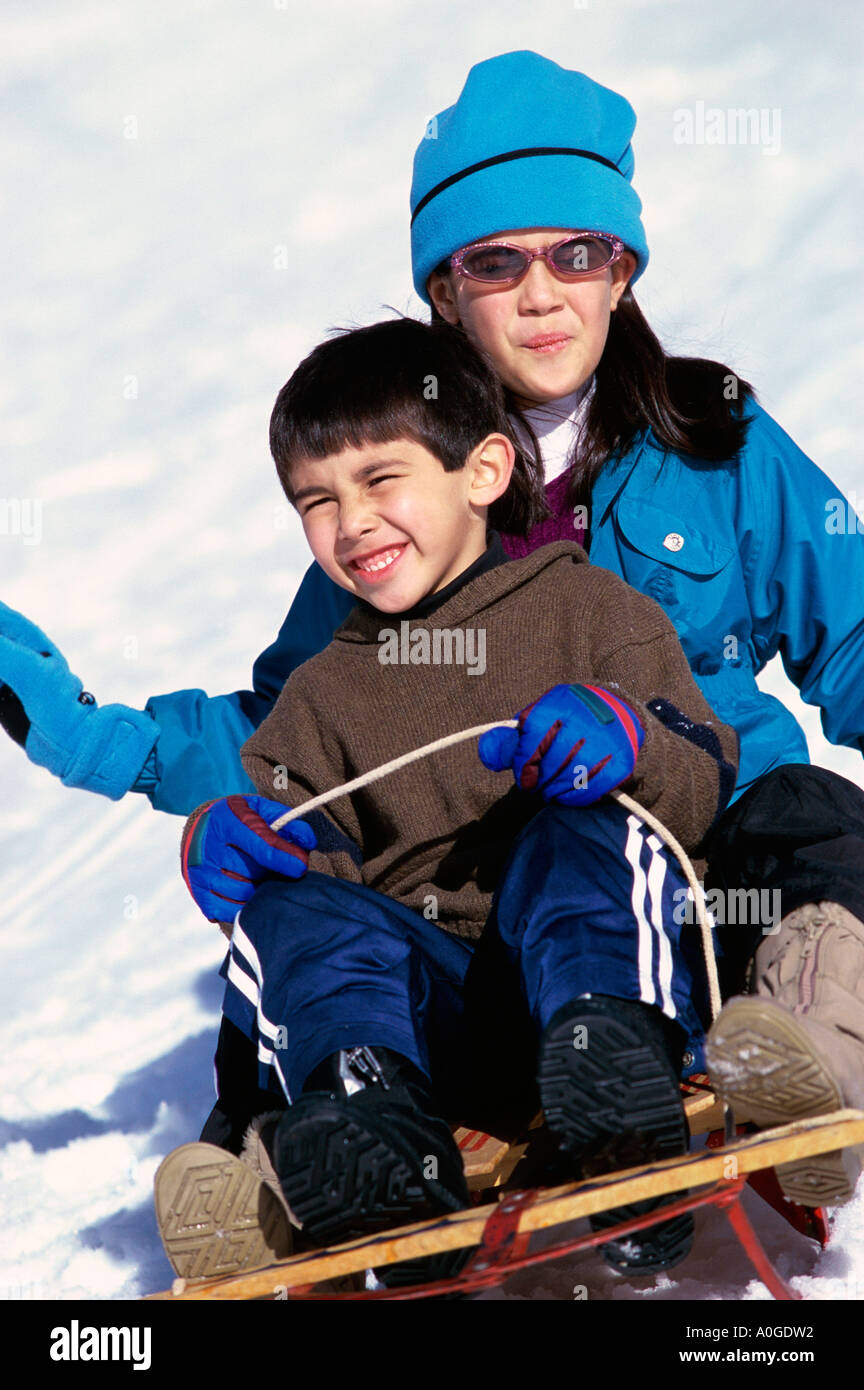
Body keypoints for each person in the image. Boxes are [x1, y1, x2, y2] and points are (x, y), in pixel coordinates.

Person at [3, 49, 863, 1204]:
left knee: (812, 814)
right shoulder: (403, 495)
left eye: (579, 253)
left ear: (623, 272)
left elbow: (850, 632)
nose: (543, 292)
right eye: (497, 263)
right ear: (446, 293)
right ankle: (290, 1168)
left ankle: (816, 1053)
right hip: (506, 913)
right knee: (298, 924)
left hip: (708, 872)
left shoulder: (716, 442)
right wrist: (107, 748)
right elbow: (306, 727)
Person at [177, 314, 739, 1288]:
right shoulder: (321, 694)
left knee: (575, 834)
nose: (350, 522)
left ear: (482, 472)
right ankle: (374, 1123)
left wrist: (630, 739)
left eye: (380, 480)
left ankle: (620, 1098)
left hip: (593, 984)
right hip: (438, 1033)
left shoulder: (591, 612)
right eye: (317, 500)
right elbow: (298, 856)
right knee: (292, 911)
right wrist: (228, 840)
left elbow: (700, 786)